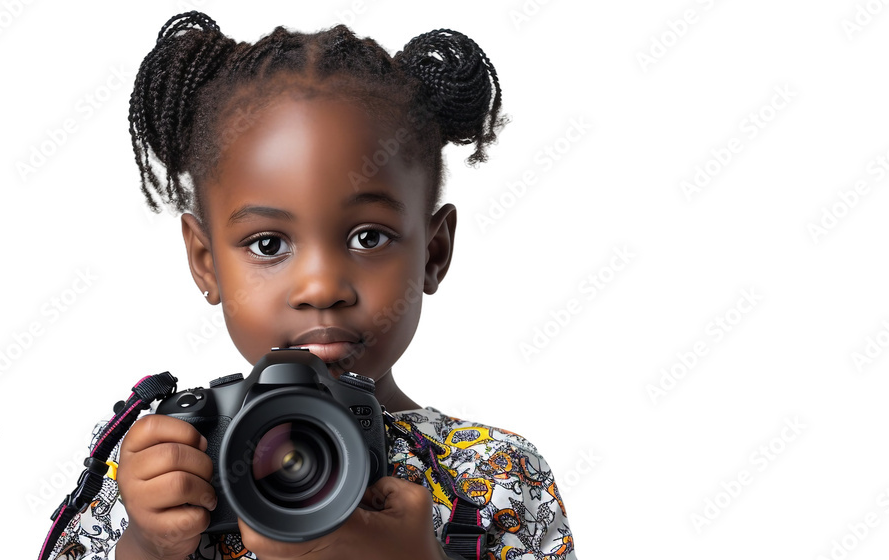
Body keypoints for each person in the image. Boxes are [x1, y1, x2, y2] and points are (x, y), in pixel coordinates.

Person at [44, 10, 575, 560]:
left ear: (434, 251)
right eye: (268, 244)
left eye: (369, 237)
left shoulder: (501, 476)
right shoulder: (156, 464)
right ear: (205, 262)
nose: (321, 287)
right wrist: (148, 547)